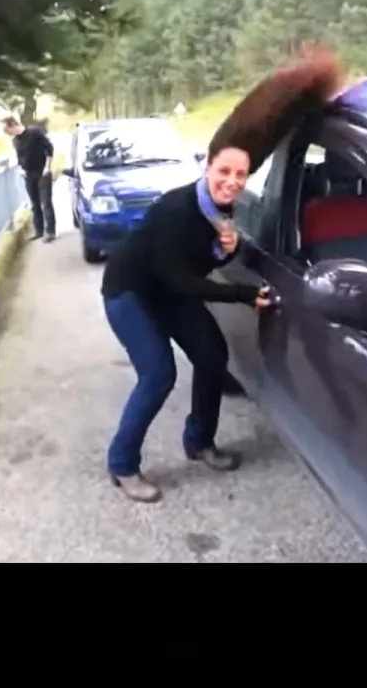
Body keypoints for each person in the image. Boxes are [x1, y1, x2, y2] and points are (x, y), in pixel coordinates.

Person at [102, 143, 273, 503]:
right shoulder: (175, 210)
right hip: (130, 292)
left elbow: (192, 265)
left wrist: (222, 251)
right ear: (207, 168)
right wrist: (245, 293)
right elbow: (184, 280)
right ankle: (122, 463)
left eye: (240, 174)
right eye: (224, 171)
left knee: (212, 356)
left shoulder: (222, 210)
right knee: (158, 374)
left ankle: (199, 442)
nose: (231, 181)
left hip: (170, 288)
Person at [2, 115, 57, 242]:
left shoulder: (34, 132)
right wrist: (21, 169)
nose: (7, 134)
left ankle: (50, 232)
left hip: (43, 171)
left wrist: (47, 167)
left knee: (46, 202)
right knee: (34, 203)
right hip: (28, 174)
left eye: (7, 131)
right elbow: (19, 157)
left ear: (12, 125)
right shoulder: (15, 141)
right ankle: (39, 231)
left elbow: (49, 148)